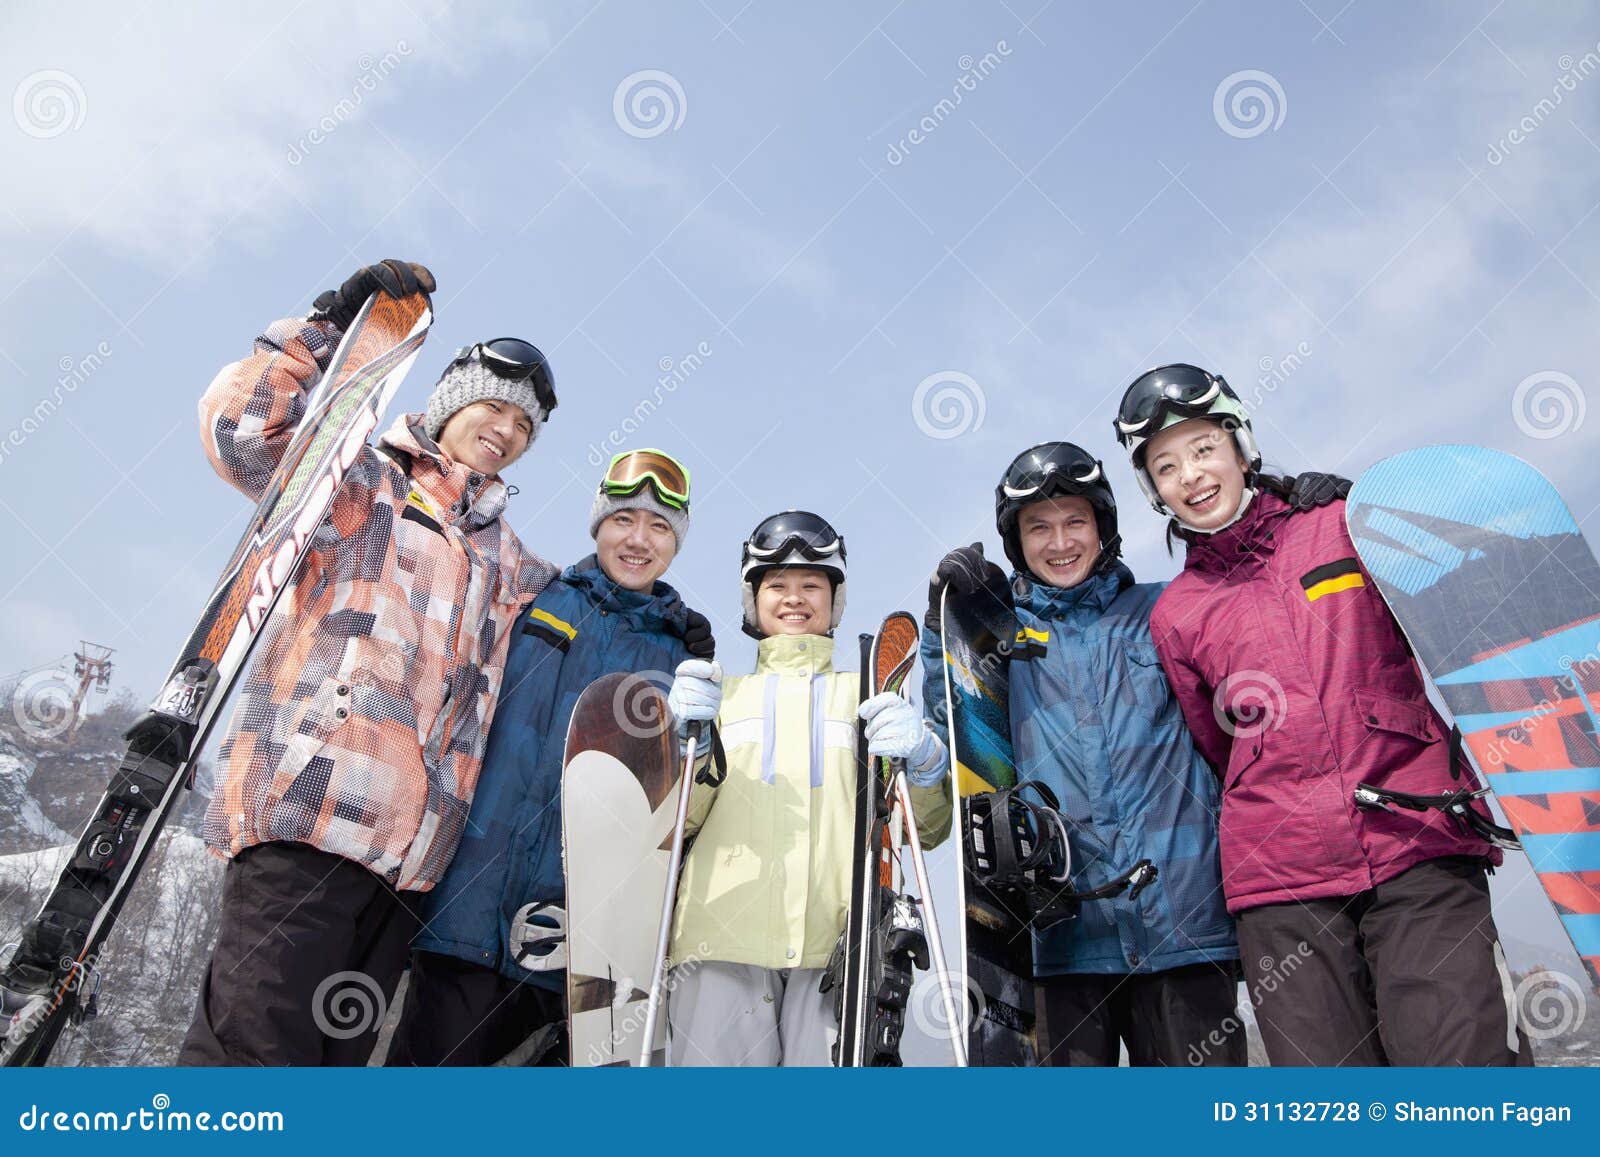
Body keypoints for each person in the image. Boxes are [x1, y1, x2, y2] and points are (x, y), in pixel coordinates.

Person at [179, 260, 561, 1066]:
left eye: (524, 424)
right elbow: (243, 435)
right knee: (253, 1057)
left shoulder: (515, 564)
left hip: (408, 867)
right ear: (453, 399)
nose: (506, 427)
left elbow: (583, 633)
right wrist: (321, 329)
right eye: (492, 404)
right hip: (305, 823)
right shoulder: (361, 480)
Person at [1119, 362, 1530, 1067]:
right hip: (1283, 883)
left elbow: (1440, 623)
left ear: (1241, 445)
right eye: (1165, 466)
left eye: (1203, 448)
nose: (1190, 474)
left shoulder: (1340, 529)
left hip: (1416, 837)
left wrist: (1364, 509)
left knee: (1461, 1075)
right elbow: (1221, 744)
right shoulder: (1177, 614)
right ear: (1154, 492)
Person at [920, 442, 1246, 1067]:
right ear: (1017, 544)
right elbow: (962, 729)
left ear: (1104, 527)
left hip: (1180, 925)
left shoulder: (1164, 610)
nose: (1059, 541)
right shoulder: (1003, 637)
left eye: (1075, 521)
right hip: (1058, 934)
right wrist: (947, 627)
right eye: (1038, 527)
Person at [389, 450, 714, 1066]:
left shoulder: (686, 662)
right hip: (468, 915)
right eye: (624, 520)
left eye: (660, 528)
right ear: (598, 525)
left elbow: (685, 804)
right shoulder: (532, 597)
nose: (639, 540)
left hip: (581, 950)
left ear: (676, 545)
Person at [662, 511, 953, 1066]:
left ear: (834, 600)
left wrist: (924, 764)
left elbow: (921, 831)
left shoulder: (866, 696)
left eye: (811, 585)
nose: (794, 598)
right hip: (719, 941)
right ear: (754, 599)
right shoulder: (720, 696)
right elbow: (678, 825)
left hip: (838, 947)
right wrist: (682, 751)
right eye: (777, 585)